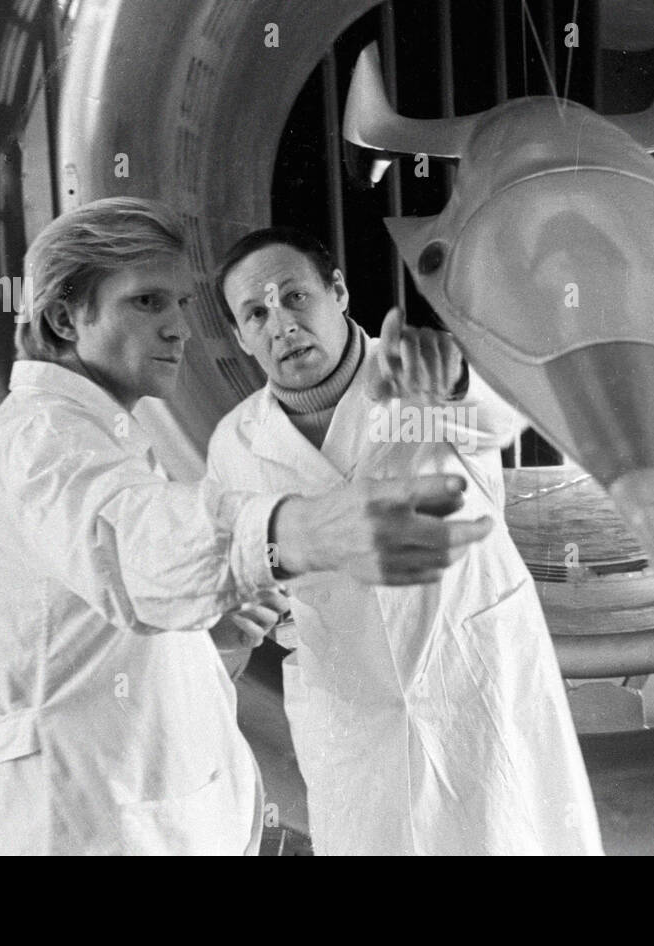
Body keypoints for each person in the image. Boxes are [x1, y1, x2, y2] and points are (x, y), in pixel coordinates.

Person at [0, 198, 491, 855]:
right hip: (98, 827)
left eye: (179, 304)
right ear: (64, 317)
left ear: (337, 293)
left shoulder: (95, 437)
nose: (179, 329)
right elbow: (130, 547)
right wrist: (300, 531)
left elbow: (97, 635)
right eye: (147, 303)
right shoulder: (41, 445)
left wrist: (213, 637)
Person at [209, 225, 604, 855]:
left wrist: (450, 382)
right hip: (352, 714)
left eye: (294, 297)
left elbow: (504, 416)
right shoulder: (234, 445)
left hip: (472, 680)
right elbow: (239, 571)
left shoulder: (417, 374)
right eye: (256, 313)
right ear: (239, 335)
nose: (280, 323)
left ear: (337, 291)